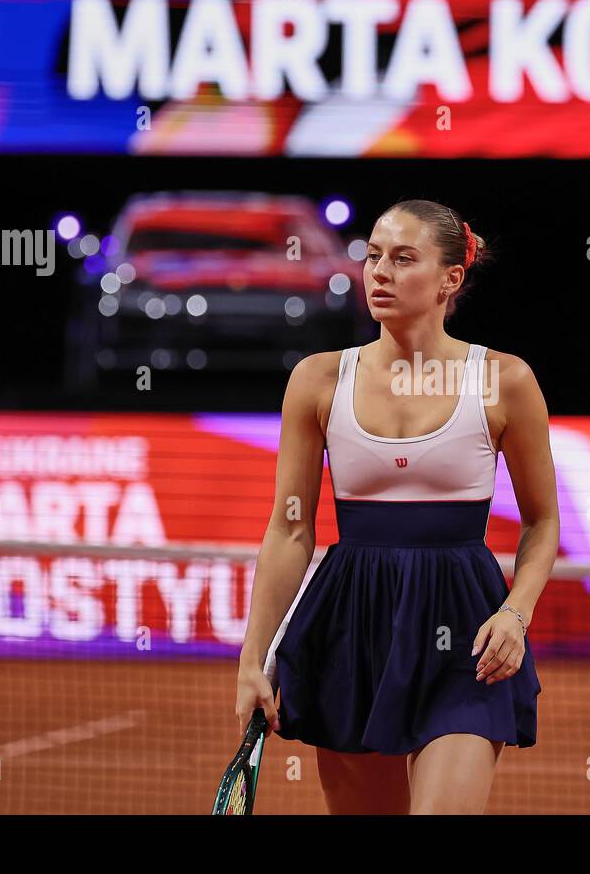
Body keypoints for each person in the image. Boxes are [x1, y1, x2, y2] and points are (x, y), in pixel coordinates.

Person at [237, 199, 560, 813]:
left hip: (466, 627)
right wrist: (254, 658)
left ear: (451, 280)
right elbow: (289, 532)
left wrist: (516, 613)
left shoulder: (504, 380)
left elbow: (543, 522)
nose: (379, 271)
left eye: (404, 259)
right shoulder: (318, 380)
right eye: (375, 255)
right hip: (350, 624)